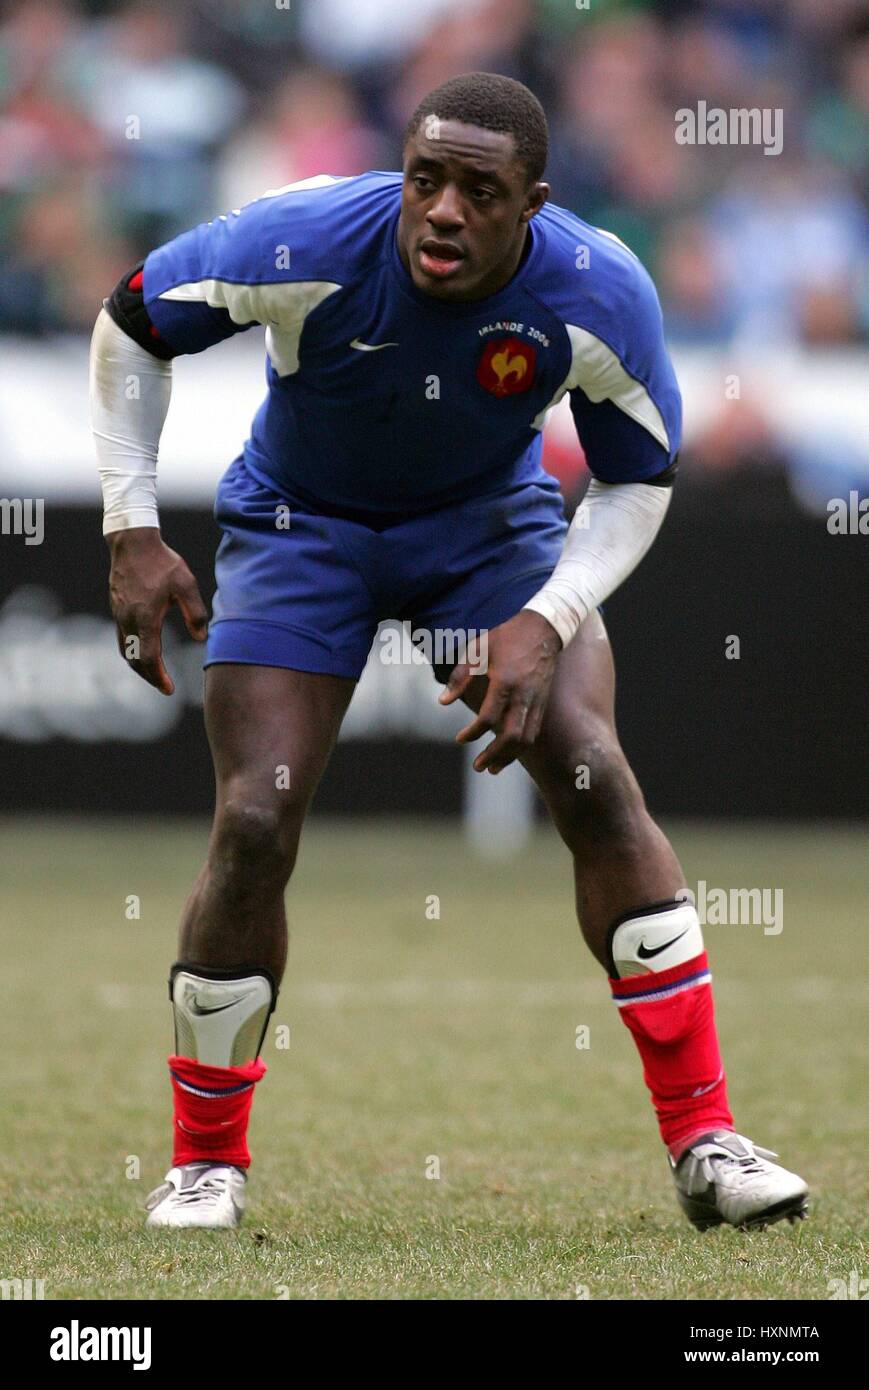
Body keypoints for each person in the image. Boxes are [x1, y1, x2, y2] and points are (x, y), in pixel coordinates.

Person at [90, 72, 808, 1232]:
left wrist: (548, 615)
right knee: (255, 820)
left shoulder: (595, 289)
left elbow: (635, 480)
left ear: (532, 201)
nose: (440, 212)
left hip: (488, 534)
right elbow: (131, 325)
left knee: (594, 776)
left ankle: (706, 1142)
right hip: (299, 525)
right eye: (425, 180)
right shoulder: (305, 236)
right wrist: (130, 526)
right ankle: (204, 1163)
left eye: (480, 192)